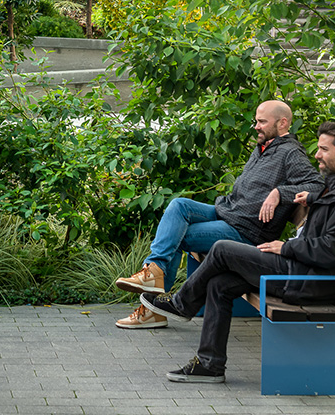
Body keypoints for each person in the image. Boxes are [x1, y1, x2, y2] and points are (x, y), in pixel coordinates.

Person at [141, 122, 335, 383]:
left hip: (315, 280)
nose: (317, 155)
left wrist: (286, 247)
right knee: (220, 284)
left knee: (223, 249)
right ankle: (210, 365)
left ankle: (182, 303)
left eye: (324, 150)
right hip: (305, 270)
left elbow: (334, 249)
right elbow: (332, 216)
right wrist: (311, 199)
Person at [114, 100, 323, 330]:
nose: (256, 126)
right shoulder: (264, 147)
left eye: (262, 122)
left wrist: (279, 193)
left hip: (246, 231)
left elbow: (317, 185)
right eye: (256, 121)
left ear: (282, 123)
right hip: (228, 213)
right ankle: (153, 272)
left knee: (175, 236)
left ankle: (152, 307)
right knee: (179, 205)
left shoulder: (290, 152)